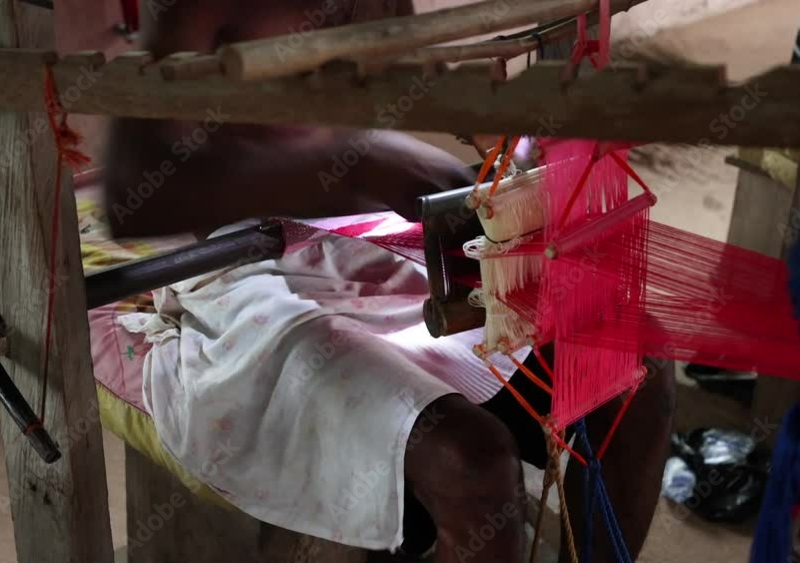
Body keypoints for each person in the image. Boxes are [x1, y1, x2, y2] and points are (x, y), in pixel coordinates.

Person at [103, 2, 675, 562]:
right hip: (244, 262)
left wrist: (499, 136)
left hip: (367, 236)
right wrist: (355, 163)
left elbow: (394, 95)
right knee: (471, 459)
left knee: (637, 358)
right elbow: (138, 196)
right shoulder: (203, 12)